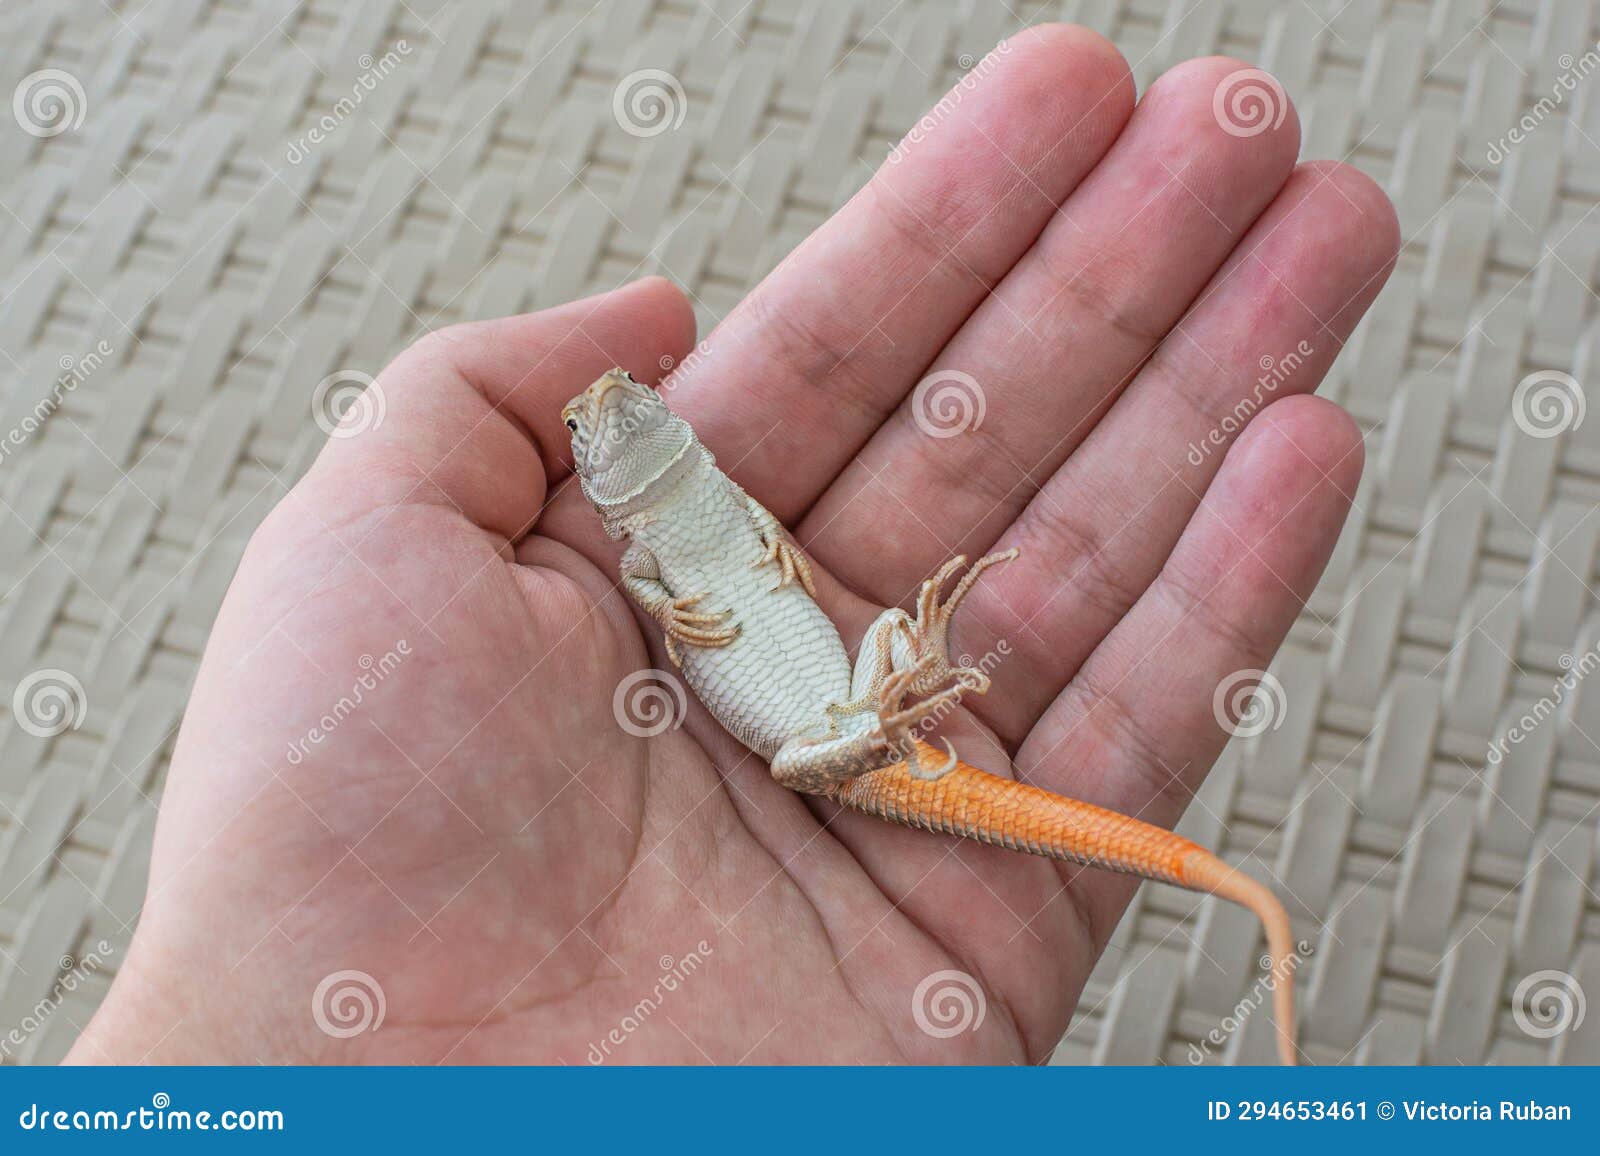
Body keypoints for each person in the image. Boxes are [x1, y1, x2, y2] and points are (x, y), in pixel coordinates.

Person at [69, 28, 1397, 1064]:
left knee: (900, 639)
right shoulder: (647, 549)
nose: (610, 406)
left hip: (839, 697)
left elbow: (711, 565)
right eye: (599, 429)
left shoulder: (689, 490)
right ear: (610, 478)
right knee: (882, 671)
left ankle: (915, 691)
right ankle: (901, 698)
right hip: (821, 747)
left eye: (624, 406)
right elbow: (664, 599)